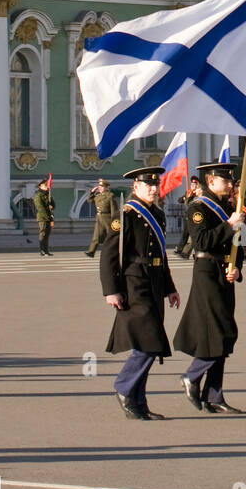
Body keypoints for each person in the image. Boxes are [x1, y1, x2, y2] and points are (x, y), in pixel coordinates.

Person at [100, 166, 180, 421]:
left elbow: (161, 256)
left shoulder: (157, 213)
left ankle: (138, 402)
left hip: (154, 283)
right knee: (149, 343)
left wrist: (170, 288)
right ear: (136, 188)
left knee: (149, 344)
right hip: (134, 285)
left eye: (155, 185)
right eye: (148, 186)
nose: (153, 189)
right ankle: (124, 387)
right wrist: (111, 291)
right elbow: (109, 256)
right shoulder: (127, 214)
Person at [174, 162, 246, 414]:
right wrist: (229, 224)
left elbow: (240, 243)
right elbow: (202, 240)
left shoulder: (232, 208)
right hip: (207, 271)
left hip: (225, 273)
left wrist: (237, 267)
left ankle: (214, 394)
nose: (230, 184)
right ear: (210, 181)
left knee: (224, 334)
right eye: (225, 180)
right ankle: (191, 376)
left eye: (231, 180)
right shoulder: (198, 208)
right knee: (218, 331)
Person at [85, 178, 118, 257]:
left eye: (102, 186)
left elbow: (114, 210)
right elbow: (89, 200)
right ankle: (91, 252)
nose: (100, 187)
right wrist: (92, 193)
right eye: (99, 186)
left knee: (110, 236)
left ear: (106, 187)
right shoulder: (98, 196)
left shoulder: (110, 196)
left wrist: (114, 221)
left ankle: (114, 251)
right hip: (99, 218)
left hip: (107, 219)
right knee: (96, 236)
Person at [174, 176, 201, 259]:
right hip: (188, 217)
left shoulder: (198, 195)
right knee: (185, 235)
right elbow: (180, 200)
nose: (192, 186)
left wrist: (188, 198)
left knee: (193, 236)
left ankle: (187, 252)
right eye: (192, 184)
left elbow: (190, 205)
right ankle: (181, 250)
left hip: (195, 218)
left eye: (194, 185)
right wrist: (185, 197)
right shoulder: (189, 193)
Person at [34, 178, 54, 257]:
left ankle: (46, 251)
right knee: (43, 233)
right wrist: (47, 217)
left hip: (49, 217)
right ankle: (42, 250)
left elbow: (53, 205)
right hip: (42, 218)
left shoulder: (47, 195)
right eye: (45, 185)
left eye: (47, 185)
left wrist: (51, 203)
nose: (46, 186)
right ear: (40, 186)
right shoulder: (38, 195)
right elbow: (40, 207)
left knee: (47, 235)